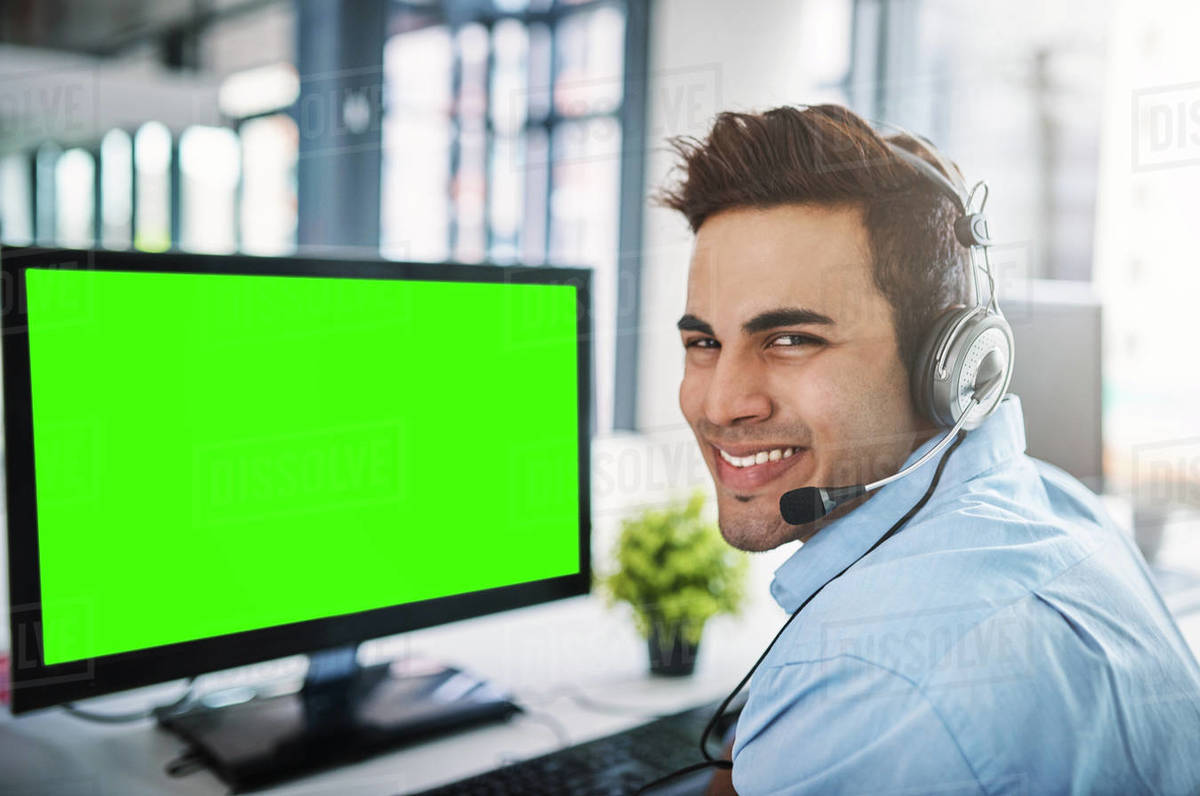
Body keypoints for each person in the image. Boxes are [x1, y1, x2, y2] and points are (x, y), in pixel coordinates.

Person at [653, 104, 1200, 794]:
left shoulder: (874, 680)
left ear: (946, 364)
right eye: (704, 342)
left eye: (791, 339)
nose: (721, 403)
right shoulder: (1057, 505)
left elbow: (885, 695)